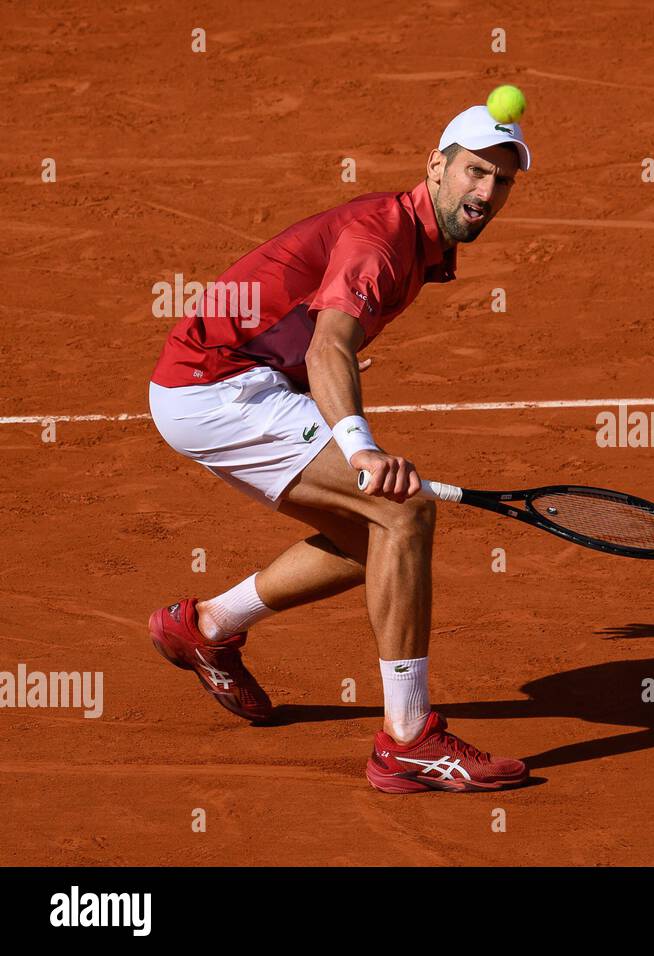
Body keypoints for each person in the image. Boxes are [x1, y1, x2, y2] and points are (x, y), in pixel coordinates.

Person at [146, 105, 531, 793]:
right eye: (475, 172)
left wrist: (307, 373)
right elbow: (331, 344)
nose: (485, 194)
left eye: (501, 182)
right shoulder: (380, 243)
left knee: (377, 541)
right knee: (405, 514)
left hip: (236, 378)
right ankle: (409, 742)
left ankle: (206, 626)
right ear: (435, 165)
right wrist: (358, 448)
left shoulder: (420, 242)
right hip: (218, 388)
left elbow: (313, 333)